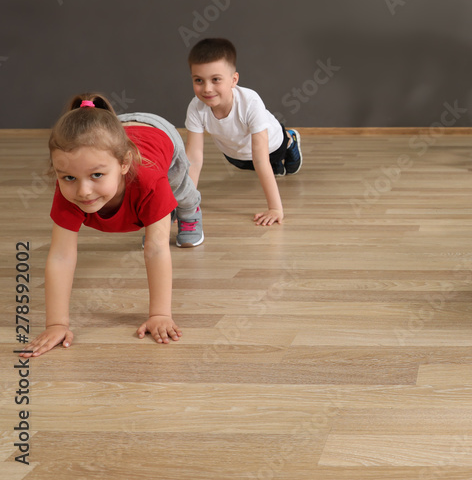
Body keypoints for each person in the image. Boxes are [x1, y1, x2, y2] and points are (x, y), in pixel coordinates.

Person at [21, 94, 202, 357]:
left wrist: (160, 314)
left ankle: (188, 210)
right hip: (114, 130)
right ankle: (159, 215)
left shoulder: (150, 180)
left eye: (97, 175)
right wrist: (56, 324)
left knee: (180, 191)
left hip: (158, 133)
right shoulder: (67, 191)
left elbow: (156, 250)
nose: (83, 191)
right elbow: (61, 256)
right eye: (69, 177)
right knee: (159, 207)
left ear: (124, 164)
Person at [185, 38, 302, 226]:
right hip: (236, 155)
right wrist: (186, 206)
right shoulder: (196, 108)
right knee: (264, 169)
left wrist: (275, 208)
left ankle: (291, 140)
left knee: (275, 163)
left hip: (272, 145)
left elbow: (260, 158)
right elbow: (194, 159)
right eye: (199, 80)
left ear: (234, 80)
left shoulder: (250, 102)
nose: (207, 89)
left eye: (216, 80)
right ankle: (277, 167)